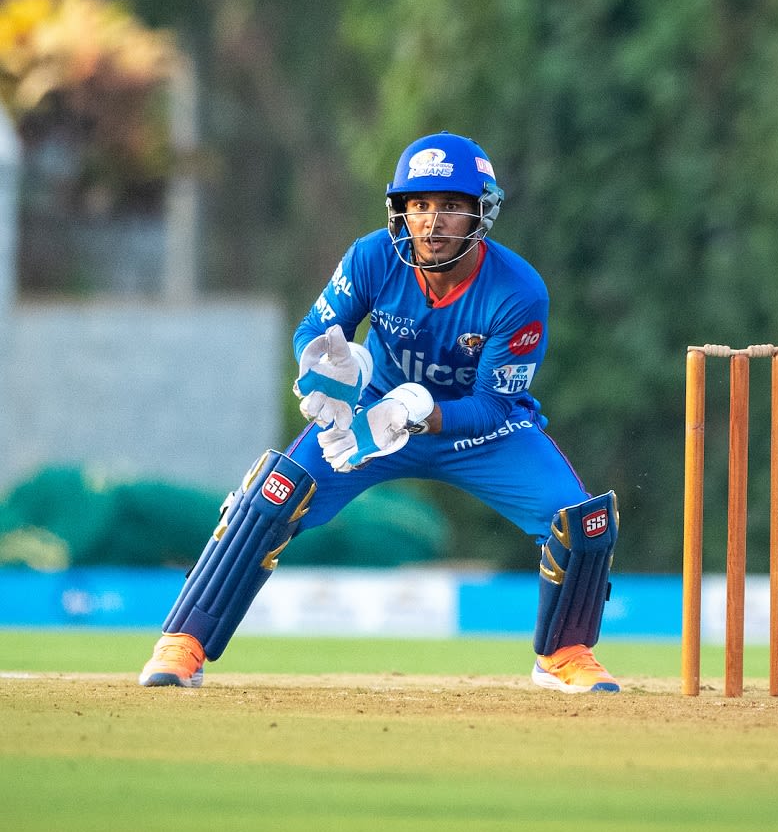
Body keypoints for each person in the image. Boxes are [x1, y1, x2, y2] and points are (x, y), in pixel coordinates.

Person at [139, 132, 621, 693]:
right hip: (369, 421)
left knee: (582, 519)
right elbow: (315, 330)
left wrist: (420, 411)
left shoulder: (518, 291)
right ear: (401, 210)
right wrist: (322, 369)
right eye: (419, 205)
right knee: (272, 494)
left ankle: (564, 654)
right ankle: (184, 643)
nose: (432, 222)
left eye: (450, 206)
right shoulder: (373, 256)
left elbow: (492, 407)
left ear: (480, 214)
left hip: (481, 431)